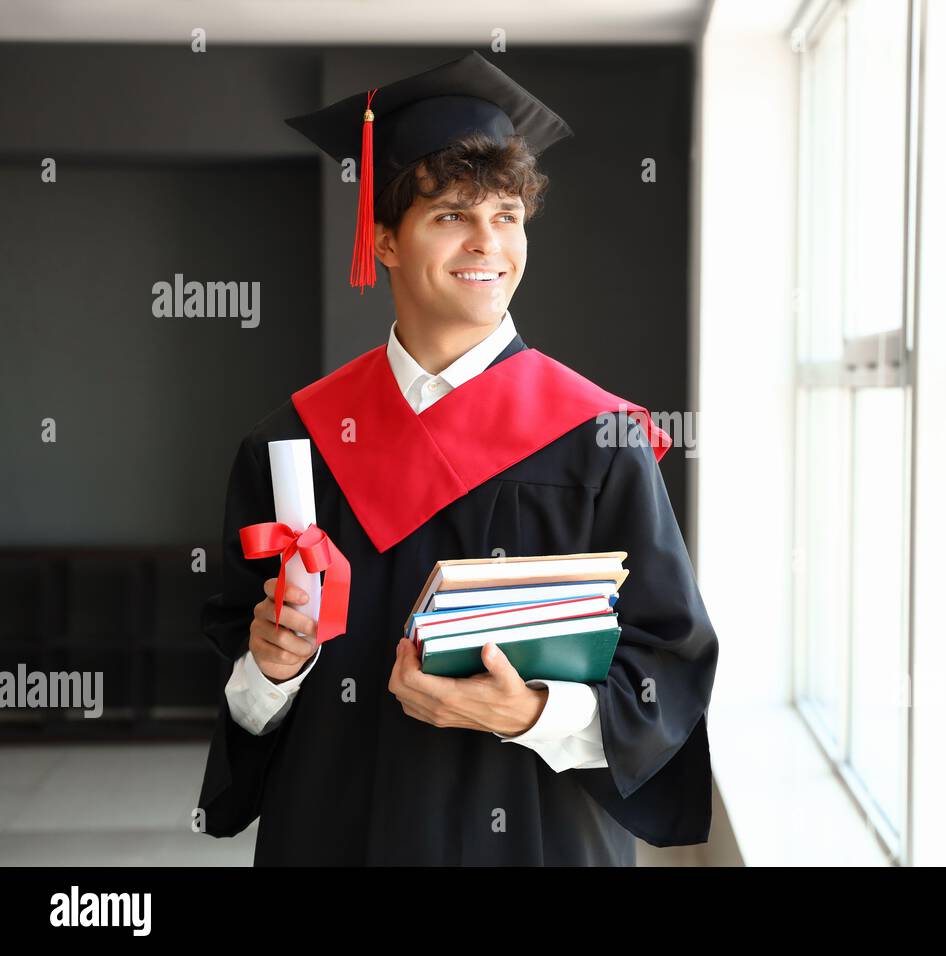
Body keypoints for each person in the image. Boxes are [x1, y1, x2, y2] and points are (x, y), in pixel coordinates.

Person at [194, 51, 718, 865]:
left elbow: (668, 668)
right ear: (386, 241)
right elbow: (240, 679)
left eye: (507, 215)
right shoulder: (292, 442)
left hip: (534, 840)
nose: (488, 242)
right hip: (335, 833)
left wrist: (533, 712)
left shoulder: (597, 438)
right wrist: (271, 668)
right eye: (450, 215)